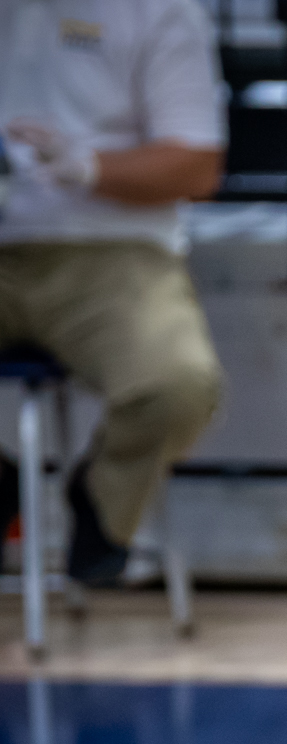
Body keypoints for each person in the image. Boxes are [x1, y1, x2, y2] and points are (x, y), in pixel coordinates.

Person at [0, 0, 228, 586]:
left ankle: (103, 495)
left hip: (113, 250)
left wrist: (89, 167)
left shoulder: (161, 11)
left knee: (178, 384)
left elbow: (197, 167)